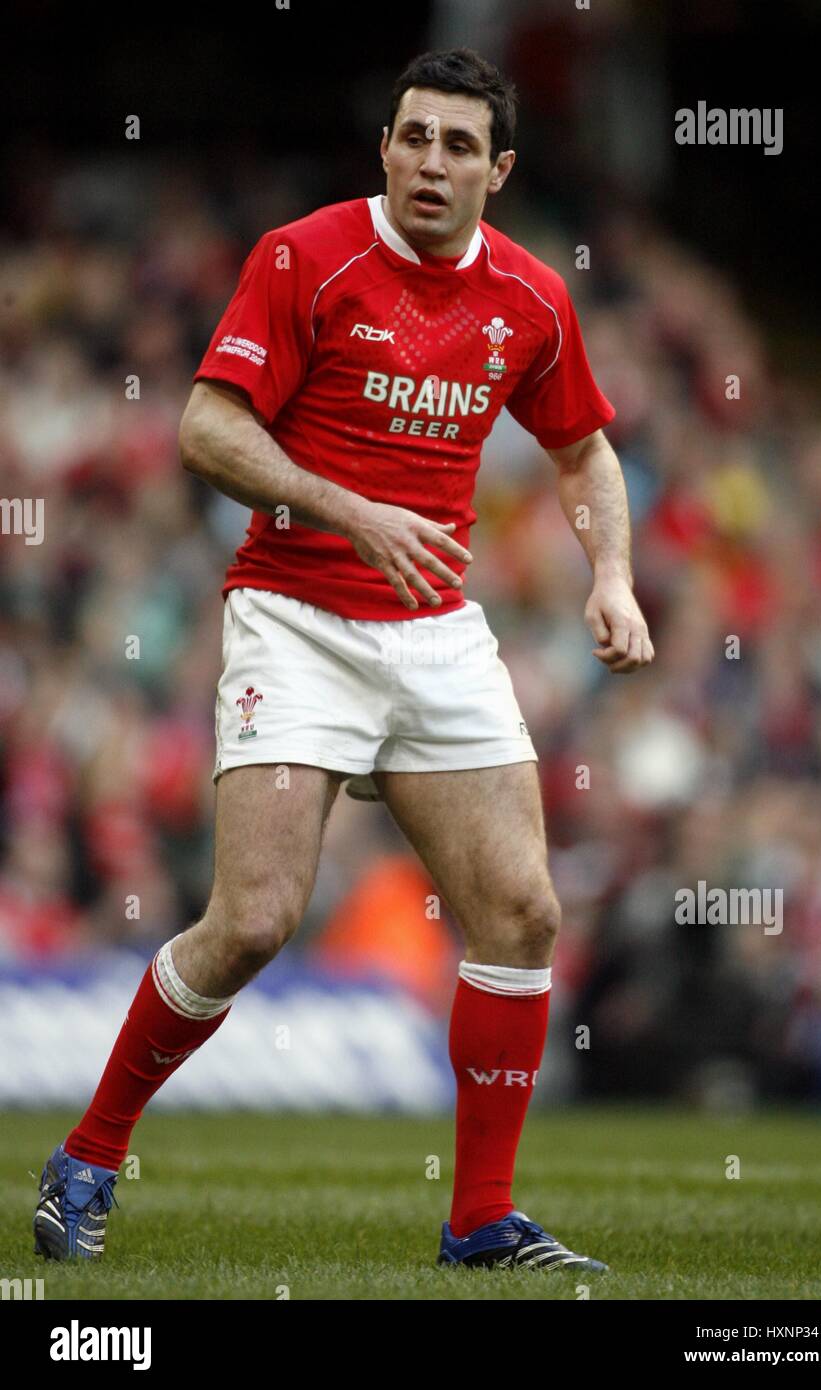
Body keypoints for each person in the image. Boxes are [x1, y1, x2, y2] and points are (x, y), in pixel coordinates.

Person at [34, 47, 653, 1272]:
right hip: (296, 615)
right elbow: (207, 427)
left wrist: (612, 576)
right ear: (384, 148)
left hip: (434, 628)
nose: (430, 161)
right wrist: (347, 509)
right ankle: (89, 1153)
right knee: (254, 921)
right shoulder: (303, 257)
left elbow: (582, 450)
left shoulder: (530, 297)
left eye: (458, 145)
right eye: (412, 137)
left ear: (497, 172)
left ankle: (479, 1218)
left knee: (522, 911)